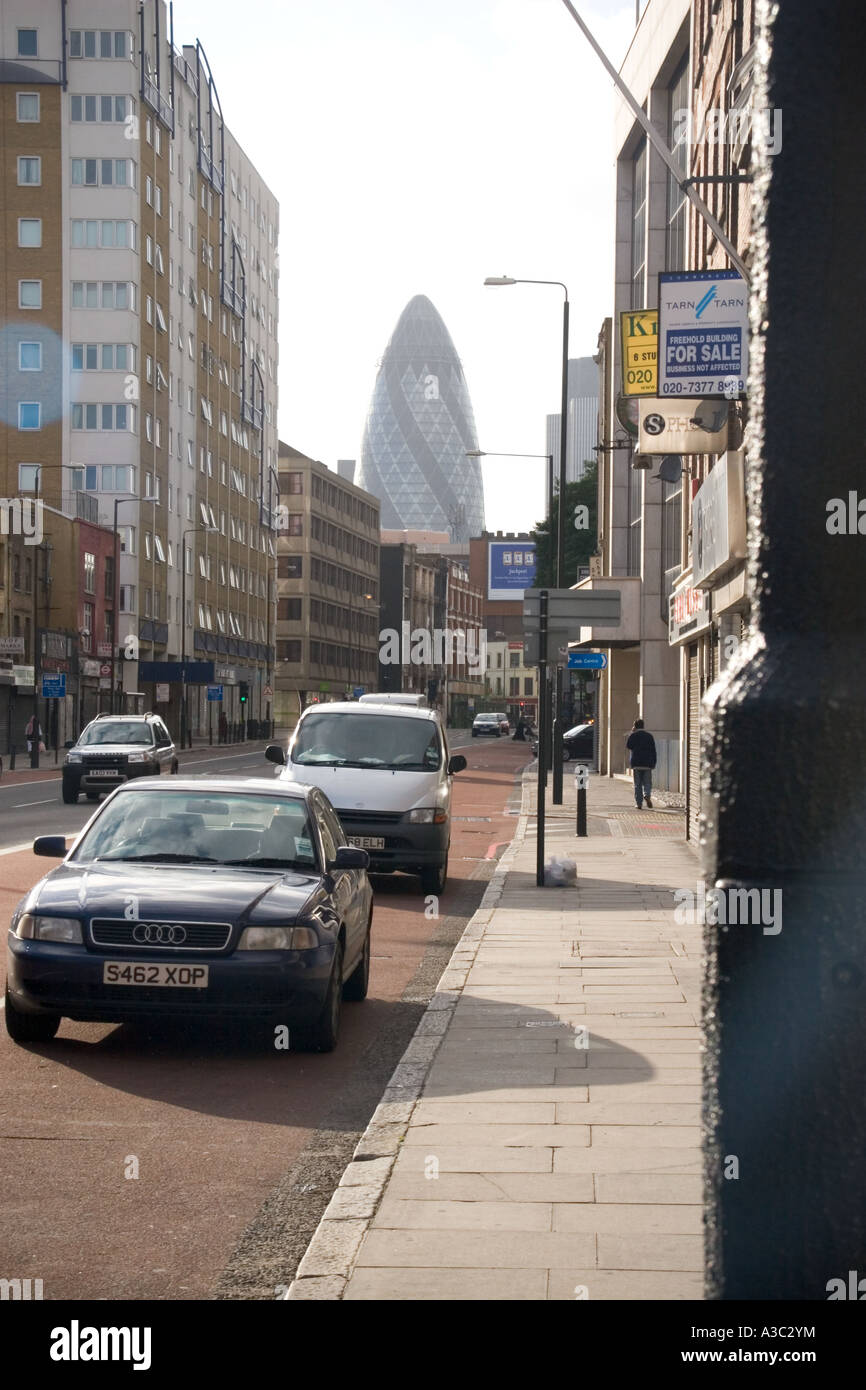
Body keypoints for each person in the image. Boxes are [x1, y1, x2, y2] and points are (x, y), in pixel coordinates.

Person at [626, 717, 656, 809]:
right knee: (647, 783)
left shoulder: (633, 735)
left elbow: (628, 746)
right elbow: (653, 751)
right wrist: (654, 762)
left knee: (637, 784)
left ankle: (639, 803)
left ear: (635, 726)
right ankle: (647, 795)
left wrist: (632, 732)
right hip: (647, 763)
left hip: (636, 763)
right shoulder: (649, 736)